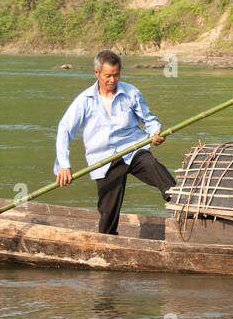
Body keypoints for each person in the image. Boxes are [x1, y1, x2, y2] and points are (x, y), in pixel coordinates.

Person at [54, 50, 175, 235]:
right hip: (103, 159)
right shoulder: (84, 101)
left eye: (116, 75)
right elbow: (64, 130)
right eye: (107, 76)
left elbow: (149, 120)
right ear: (97, 74)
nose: (112, 80)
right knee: (108, 210)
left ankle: (184, 206)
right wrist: (63, 165)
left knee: (157, 170)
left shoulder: (131, 93)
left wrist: (156, 133)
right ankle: (107, 241)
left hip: (133, 150)